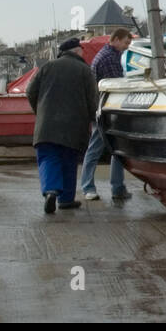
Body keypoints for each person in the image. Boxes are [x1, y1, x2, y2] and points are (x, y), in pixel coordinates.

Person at [26, 38, 98, 214]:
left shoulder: (47, 67)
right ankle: (66, 199)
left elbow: (30, 91)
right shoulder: (85, 70)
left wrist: (40, 111)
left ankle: (50, 190)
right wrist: (91, 119)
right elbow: (93, 100)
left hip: (46, 125)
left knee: (48, 157)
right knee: (68, 160)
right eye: (81, 49)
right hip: (74, 127)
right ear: (76, 51)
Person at [80, 29, 134, 201]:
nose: (126, 47)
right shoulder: (110, 58)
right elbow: (117, 84)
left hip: (101, 109)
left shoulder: (103, 55)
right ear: (116, 40)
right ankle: (96, 187)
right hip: (106, 111)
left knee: (107, 149)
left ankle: (115, 187)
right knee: (105, 149)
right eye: (125, 43)